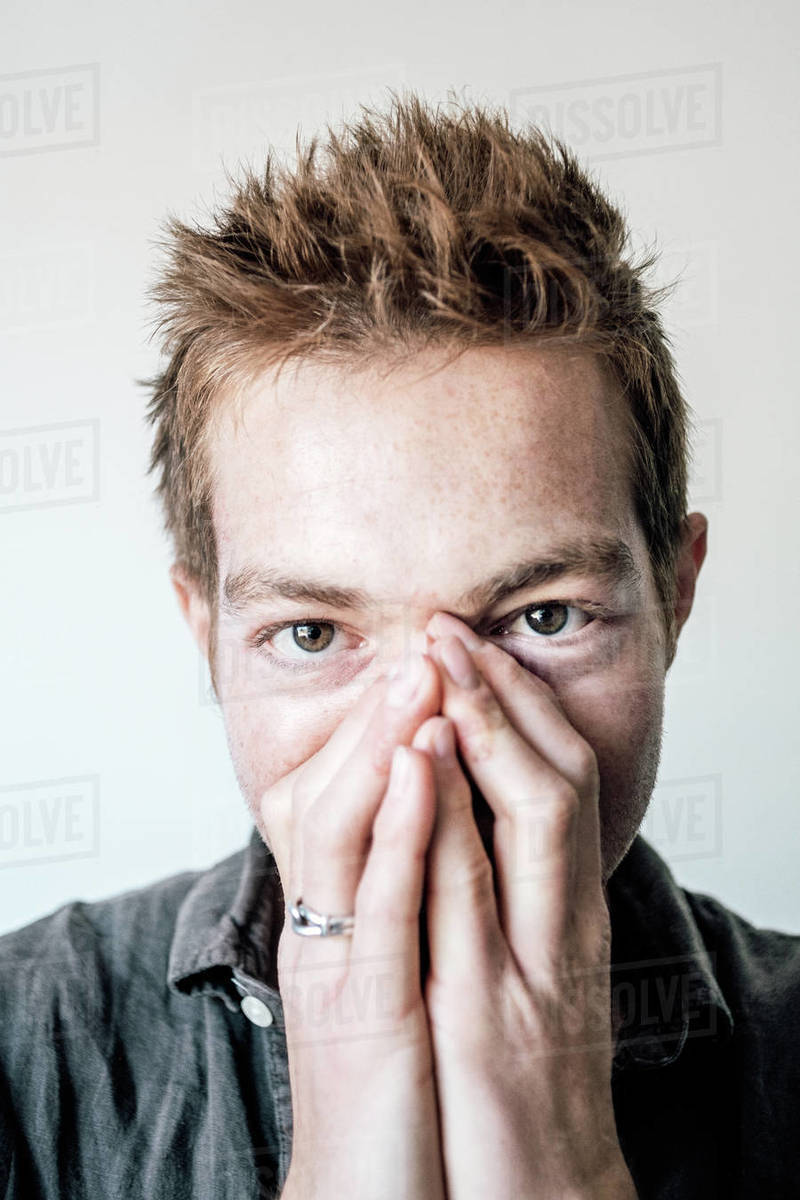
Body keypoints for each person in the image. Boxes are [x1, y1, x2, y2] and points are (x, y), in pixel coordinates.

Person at [1, 90, 798, 1200]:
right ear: (207, 635)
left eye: (542, 617)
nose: (427, 740)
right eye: (314, 633)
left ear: (673, 594)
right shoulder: (24, 1047)